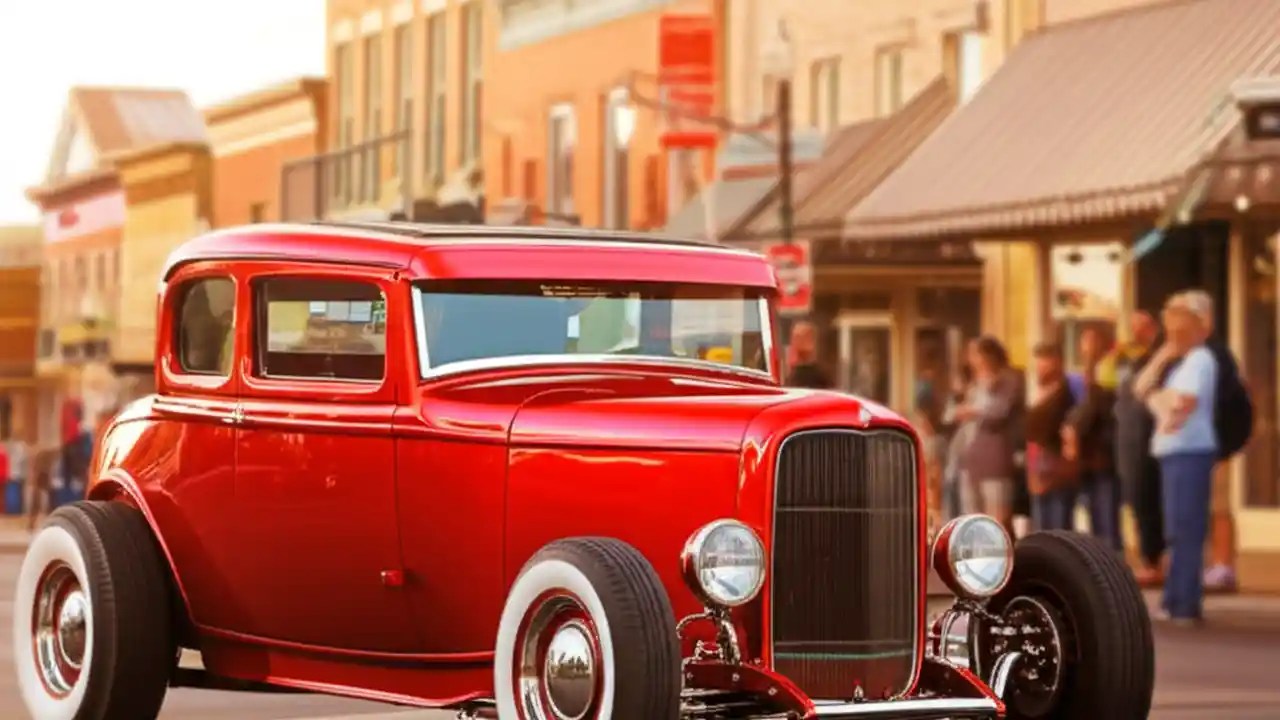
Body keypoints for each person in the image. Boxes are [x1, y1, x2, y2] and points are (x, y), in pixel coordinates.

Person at [1135, 292, 1218, 625]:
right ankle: (1176, 598)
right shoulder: (1181, 363)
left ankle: (1184, 602)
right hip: (1175, 452)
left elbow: (1182, 406)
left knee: (1185, 528)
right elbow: (1141, 388)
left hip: (1189, 451)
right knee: (1176, 529)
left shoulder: (1200, 359)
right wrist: (1163, 356)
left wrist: (1161, 402)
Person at [1110, 310, 1165, 586]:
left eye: (1141, 327)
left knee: (1149, 500)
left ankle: (1154, 560)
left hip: (1148, 441)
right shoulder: (1124, 360)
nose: (1135, 332)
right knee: (1134, 499)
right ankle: (1146, 558)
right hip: (1127, 439)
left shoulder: (1159, 360)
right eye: (1132, 327)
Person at [955, 336, 1020, 535]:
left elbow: (999, 411)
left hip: (994, 460)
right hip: (971, 461)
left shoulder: (1007, 380)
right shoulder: (974, 385)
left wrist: (973, 411)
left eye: (976, 354)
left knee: (996, 522)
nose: (972, 360)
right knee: (972, 521)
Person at [1065, 326, 1122, 550]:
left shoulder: (1109, 369)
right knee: (1094, 513)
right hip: (1086, 456)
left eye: (1092, 341)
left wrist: (1074, 426)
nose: (1087, 347)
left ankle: (1111, 558)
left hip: (1104, 453)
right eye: (1084, 341)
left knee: (1106, 513)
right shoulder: (1078, 376)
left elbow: (1098, 405)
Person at [1025, 341, 1079, 531]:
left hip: (1058, 467)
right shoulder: (1036, 394)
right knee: (1041, 527)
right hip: (1039, 465)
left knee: (1059, 528)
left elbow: (1071, 430)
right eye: (1038, 362)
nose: (1039, 368)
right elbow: (1032, 437)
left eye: (1044, 361)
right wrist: (1032, 470)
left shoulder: (1068, 392)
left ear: (1056, 362)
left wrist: (1066, 464)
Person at [785, 321, 832, 389]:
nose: (797, 342)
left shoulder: (819, 377)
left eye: (802, 338)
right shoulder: (791, 374)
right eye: (796, 338)